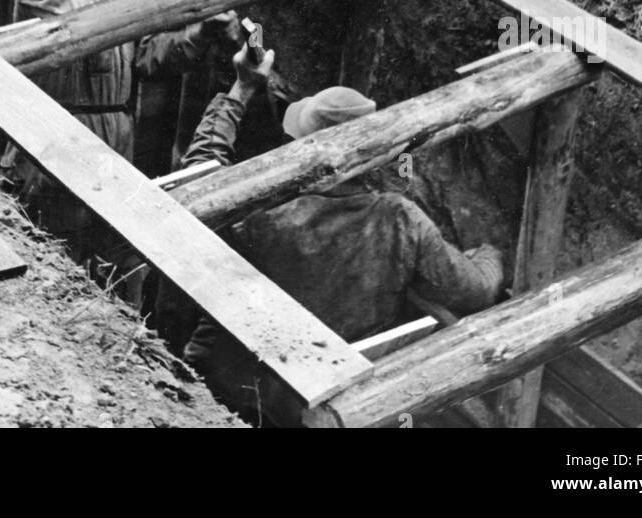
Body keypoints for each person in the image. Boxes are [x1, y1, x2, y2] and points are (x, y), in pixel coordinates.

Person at [181, 44, 503, 421]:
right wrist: (489, 255)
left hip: (232, 394)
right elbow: (475, 289)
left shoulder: (260, 214)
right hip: (327, 406)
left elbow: (200, 177)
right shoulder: (400, 218)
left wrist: (242, 89)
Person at [8, 0, 240, 284]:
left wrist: (202, 32)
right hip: (60, 145)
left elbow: (146, 58)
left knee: (115, 269)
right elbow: (102, 13)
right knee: (57, 269)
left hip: (113, 145)